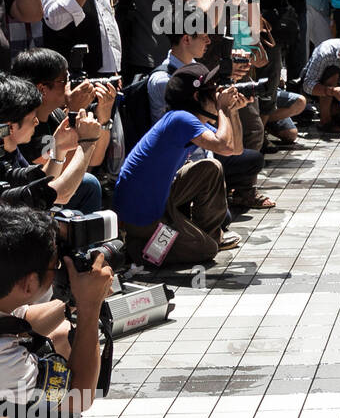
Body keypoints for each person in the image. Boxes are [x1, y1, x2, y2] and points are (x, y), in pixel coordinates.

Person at [0, 205, 114, 418]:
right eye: (54, 266)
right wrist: (90, 307)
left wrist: (73, 298)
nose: (58, 270)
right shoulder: (5, 361)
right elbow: (80, 399)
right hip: (8, 388)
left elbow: (21, 320)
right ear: (28, 283)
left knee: (63, 336)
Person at [115, 63, 247, 264]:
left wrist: (233, 111)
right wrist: (223, 108)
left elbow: (234, 149)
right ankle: (138, 249)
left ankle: (204, 235)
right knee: (206, 251)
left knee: (211, 168)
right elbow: (224, 146)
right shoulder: (180, 118)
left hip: (160, 197)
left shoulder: (190, 120)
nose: (218, 94)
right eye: (213, 90)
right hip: (141, 214)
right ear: (197, 97)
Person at [10, 48, 113, 210]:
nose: (70, 86)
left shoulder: (55, 114)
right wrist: (74, 112)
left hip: (54, 195)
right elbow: (59, 177)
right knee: (89, 182)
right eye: (64, 81)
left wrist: (105, 115)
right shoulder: (23, 125)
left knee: (89, 184)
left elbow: (94, 160)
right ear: (42, 88)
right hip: (34, 202)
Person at [0, 73, 99, 208]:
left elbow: (40, 182)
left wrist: (58, 148)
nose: (36, 122)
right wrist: (88, 143)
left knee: (88, 184)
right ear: (10, 127)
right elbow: (58, 195)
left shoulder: (9, 149)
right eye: (32, 117)